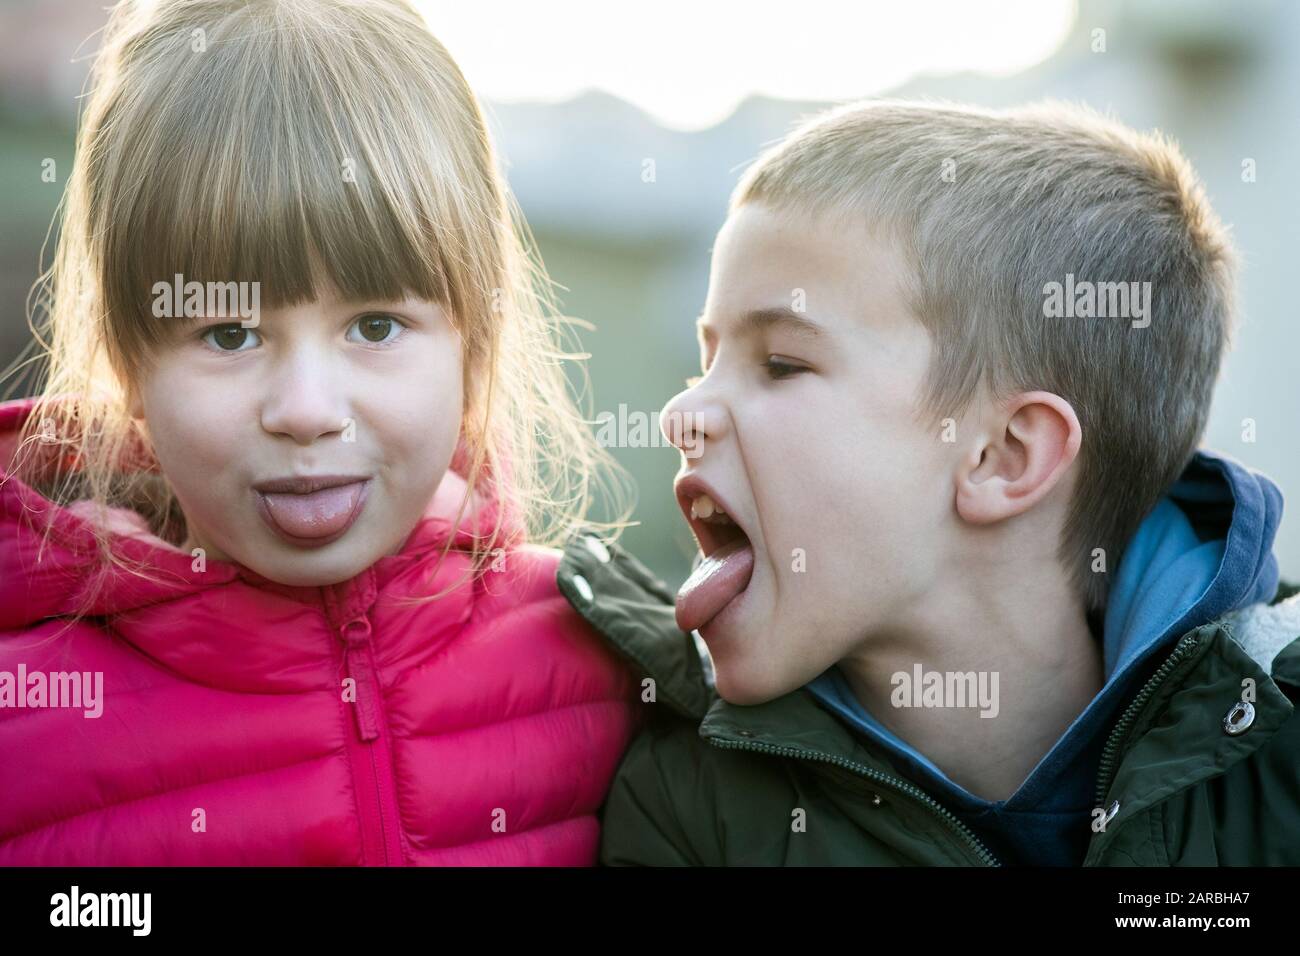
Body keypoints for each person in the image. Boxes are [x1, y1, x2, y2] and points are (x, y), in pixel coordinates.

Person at [558, 99, 1300, 865]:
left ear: (1002, 456)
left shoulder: (1279, 761)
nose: (682, 412)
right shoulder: (692, 806)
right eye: (704, 360)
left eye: (780, 363)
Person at [0, 0, 639, 865]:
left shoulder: (609, 672)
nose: (306, 409)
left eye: (375, 326)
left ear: (473, 348)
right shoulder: (30, 722)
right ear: (127, 366)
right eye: (228, 334)